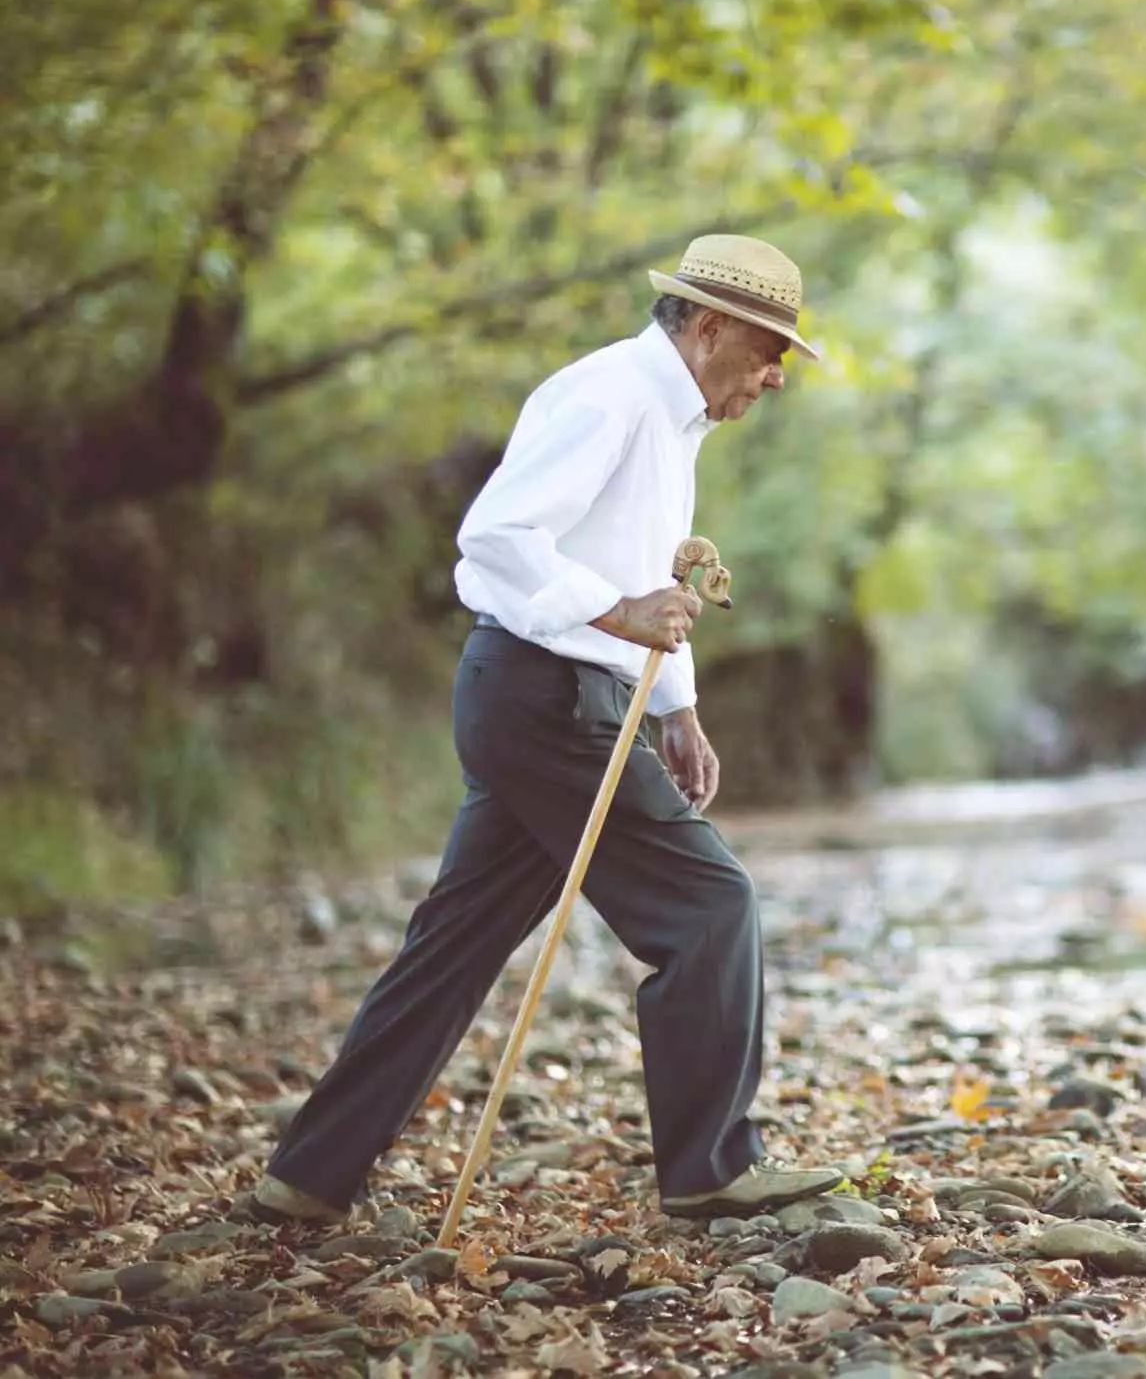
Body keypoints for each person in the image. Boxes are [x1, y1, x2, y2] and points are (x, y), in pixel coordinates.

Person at [248, 235, 842, 1224]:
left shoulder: (670, 414)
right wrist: (617, 614)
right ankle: (709, 1167)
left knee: (452, 946)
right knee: (711, 906)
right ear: (711, 326)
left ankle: (305, 1176)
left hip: (553, 698)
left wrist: (677, 711)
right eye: (770, 347)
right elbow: (497, 536)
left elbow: (654, 578)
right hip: (547, 700)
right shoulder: (610, 395)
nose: (776, 374)